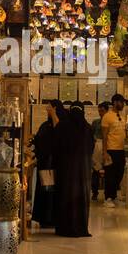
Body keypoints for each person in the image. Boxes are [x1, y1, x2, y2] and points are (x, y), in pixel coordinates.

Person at [53, 104, 93, 237]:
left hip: (65, 170)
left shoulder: (62, 126)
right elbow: (91, 148)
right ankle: (80, 227)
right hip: (83, 171)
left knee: (65, 195)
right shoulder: (87, 128)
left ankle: (65, 227)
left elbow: (56, 147)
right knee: (80, 198)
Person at [30, 101, 59, 230]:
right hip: (43, 163)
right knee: (44, 191)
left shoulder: (58, 124)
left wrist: (53, 114)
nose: (47, 111)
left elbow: (58, 133)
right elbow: (38, 140)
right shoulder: (45, 125)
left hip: (52, 164)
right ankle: (43, 218)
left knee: (50, 192)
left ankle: (50, 218)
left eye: (49, 108)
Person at [101, 93, 128, 207]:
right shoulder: (107, 116)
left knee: (119, 174)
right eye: (121, 102)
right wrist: (105, 152)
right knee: (110, 175)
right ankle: (108, 198)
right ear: (115, 102)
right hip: (111, 149)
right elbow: (104, 136)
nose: (123, 105)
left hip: (121, 150)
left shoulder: (122, 116)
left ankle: (114, 196)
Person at [90, 101, 109, 201]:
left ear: (107, 111)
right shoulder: (95, 122)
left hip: (108, 146)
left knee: (108, 171)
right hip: (97, 146)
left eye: (102, 111)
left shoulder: (110, 122)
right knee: (96, 170)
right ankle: (95, 192)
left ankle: (107, 194)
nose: (100, 113)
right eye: (99, 111)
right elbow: (91, 134)